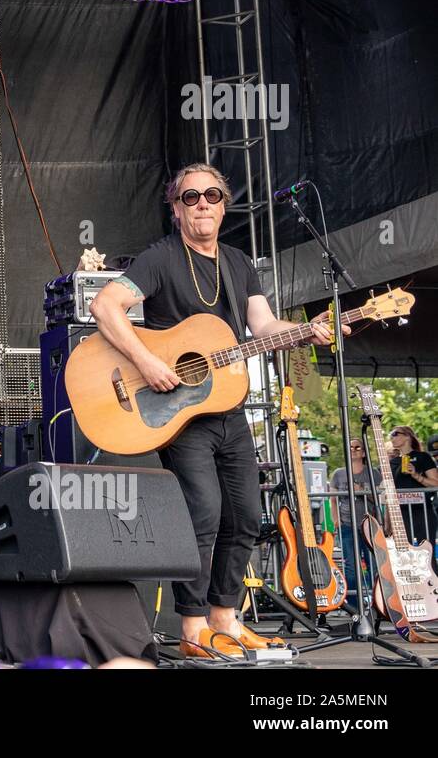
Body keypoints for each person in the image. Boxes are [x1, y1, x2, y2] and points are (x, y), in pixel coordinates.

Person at [89, 162, 347, 659]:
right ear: (176, 208)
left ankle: (225, 619)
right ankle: (191, 628)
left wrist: (304, 331)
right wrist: (147, 361)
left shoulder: (236, 261)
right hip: (176, 412)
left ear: (225, 205)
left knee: (247, 514)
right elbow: (105, 306)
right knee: (203, 513)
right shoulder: (161, 258)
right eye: (190, 197)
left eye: (211, 195)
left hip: (227, 407)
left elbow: (264, 326)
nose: (202, 204)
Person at [328, 439, 382, 605]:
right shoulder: (338, 474)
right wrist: (335, 519)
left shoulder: (373, 473)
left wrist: (363, 491)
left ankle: (377, 601)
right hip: (347, 525)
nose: (353, 450)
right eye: (350, 447)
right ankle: (353, 603)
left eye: (358, 447)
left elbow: (379, 498)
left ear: (364, 453)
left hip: (369, 525)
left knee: (373, 564)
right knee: (351, 566)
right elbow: (334, 500)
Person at [387, 426, 438, 545]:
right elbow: (389, 493)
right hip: (400, 513)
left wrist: (416, 476)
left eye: (395, 434)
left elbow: (435, 483)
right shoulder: (392, 462)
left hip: (423, 510)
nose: (392, 437)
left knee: (426, 552)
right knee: (404, 552)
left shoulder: (423, 457)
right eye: (390, 435)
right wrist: (388, 519)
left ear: (407, 436)